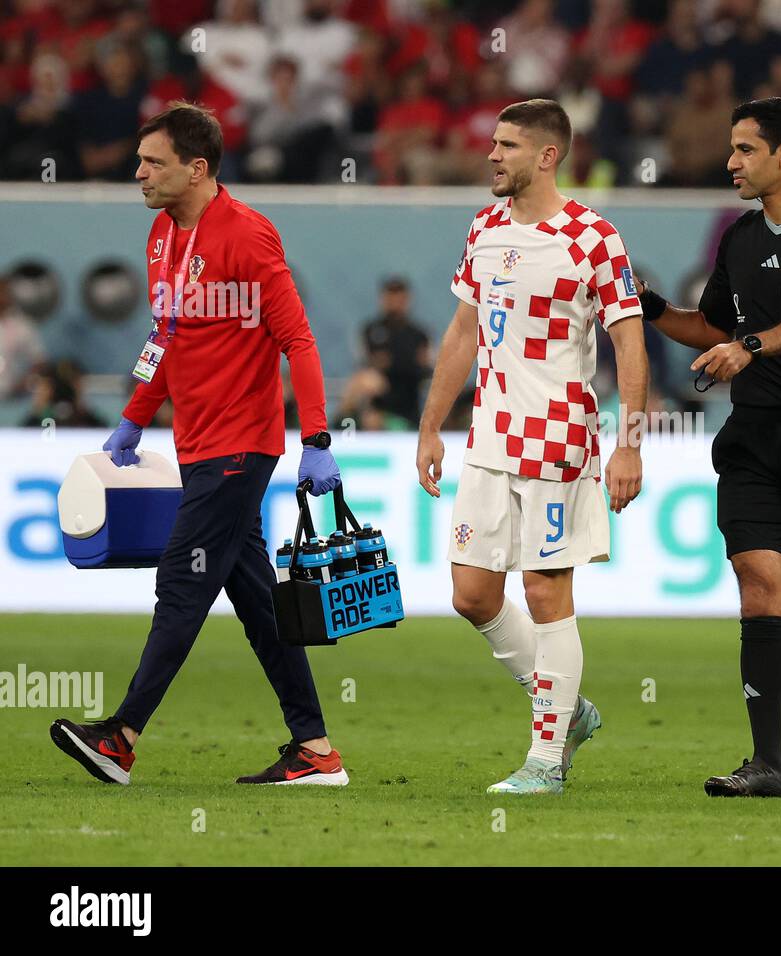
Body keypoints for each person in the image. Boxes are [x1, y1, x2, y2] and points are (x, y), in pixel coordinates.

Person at [50, 102, 348, 787]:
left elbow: (297, 339)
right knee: (260, 605)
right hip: (197, 443)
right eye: (140, 160)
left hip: (241, 446)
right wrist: (134, 415)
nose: (139, 173)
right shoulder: (161, 237)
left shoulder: (248, 235)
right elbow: (166, 336)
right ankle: (315, 750)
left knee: (180, 585)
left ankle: (120, 738)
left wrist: (318, 437)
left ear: (198, 168)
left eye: (153, 162)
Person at [636, 97, 781, 798]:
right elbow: (710, 328)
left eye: (744, 149)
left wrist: (750, 346)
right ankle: (768, 763)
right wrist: (642, 303)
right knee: (758, 588)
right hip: (753, 439)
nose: (731, 162)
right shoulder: (738, 240)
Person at [415, 99, 649, 795]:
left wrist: (630, 444)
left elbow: (629, 342)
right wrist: (431, 424)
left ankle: (546, 761)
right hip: (488, 437)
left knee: (546, 590)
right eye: (493, 142)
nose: (492, 155)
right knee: (471, 593)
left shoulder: (592, 237)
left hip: (557, 438)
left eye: (508, 145)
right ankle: (568, 711)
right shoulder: (484, 228)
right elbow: (462, 333)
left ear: (547, 156)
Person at [360, 275, 432, 426]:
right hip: (381, 402)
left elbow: (425, 366)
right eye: (390, 296)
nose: (394, 303)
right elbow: (369, 364)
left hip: (409, 397)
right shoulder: (371, 330)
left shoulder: (419, 334)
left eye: (399, 297)